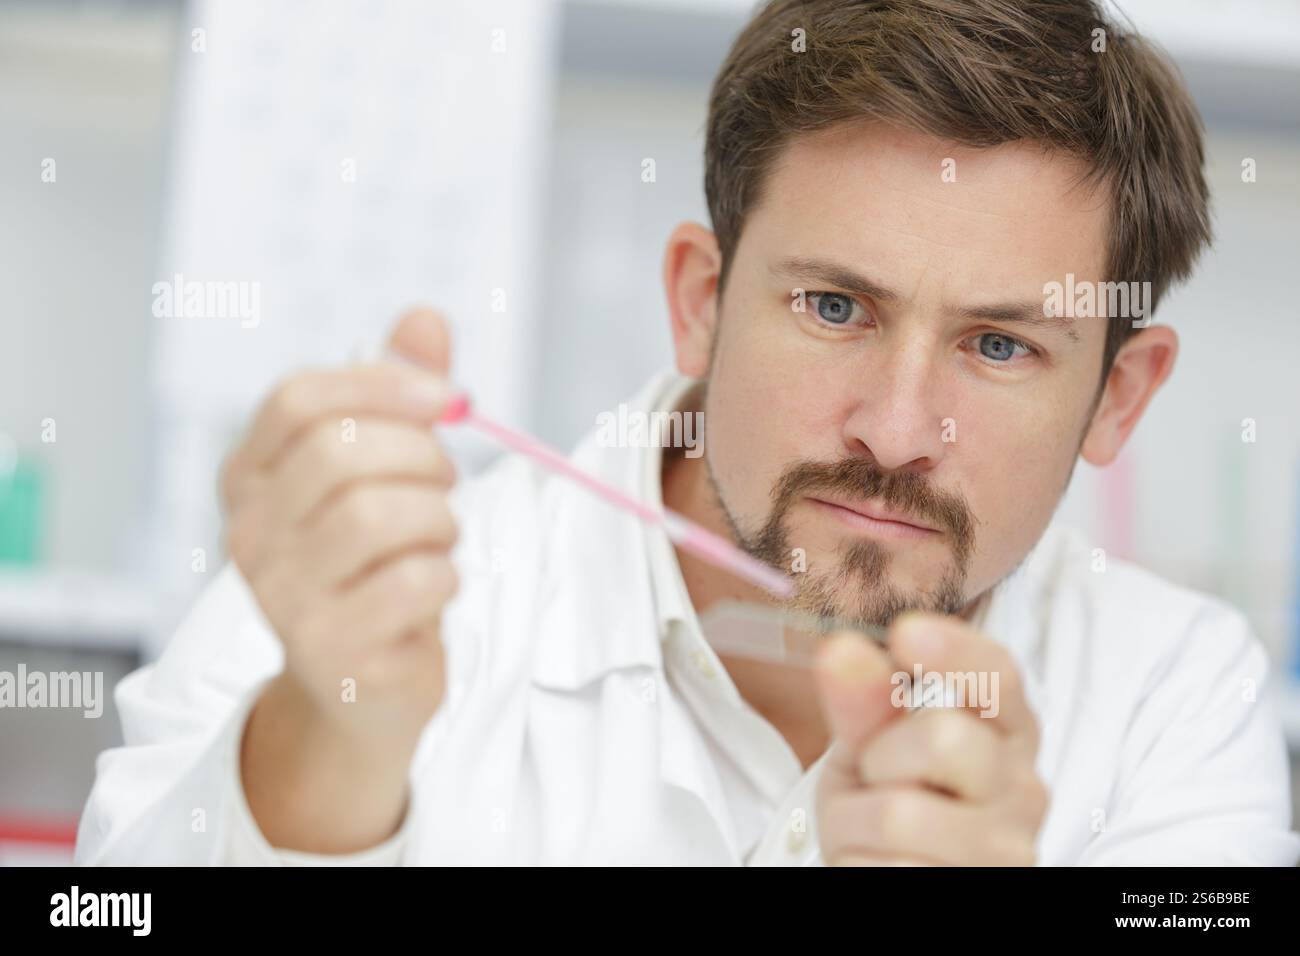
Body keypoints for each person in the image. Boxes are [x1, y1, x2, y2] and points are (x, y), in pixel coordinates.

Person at [77, 0, 1299, 865]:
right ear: (698, 301)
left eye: (998, 345)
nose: (890, 430)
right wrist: (325, 751)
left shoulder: (1173, 702)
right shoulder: (361, 592)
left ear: (1120, 395)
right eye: (833, 307)